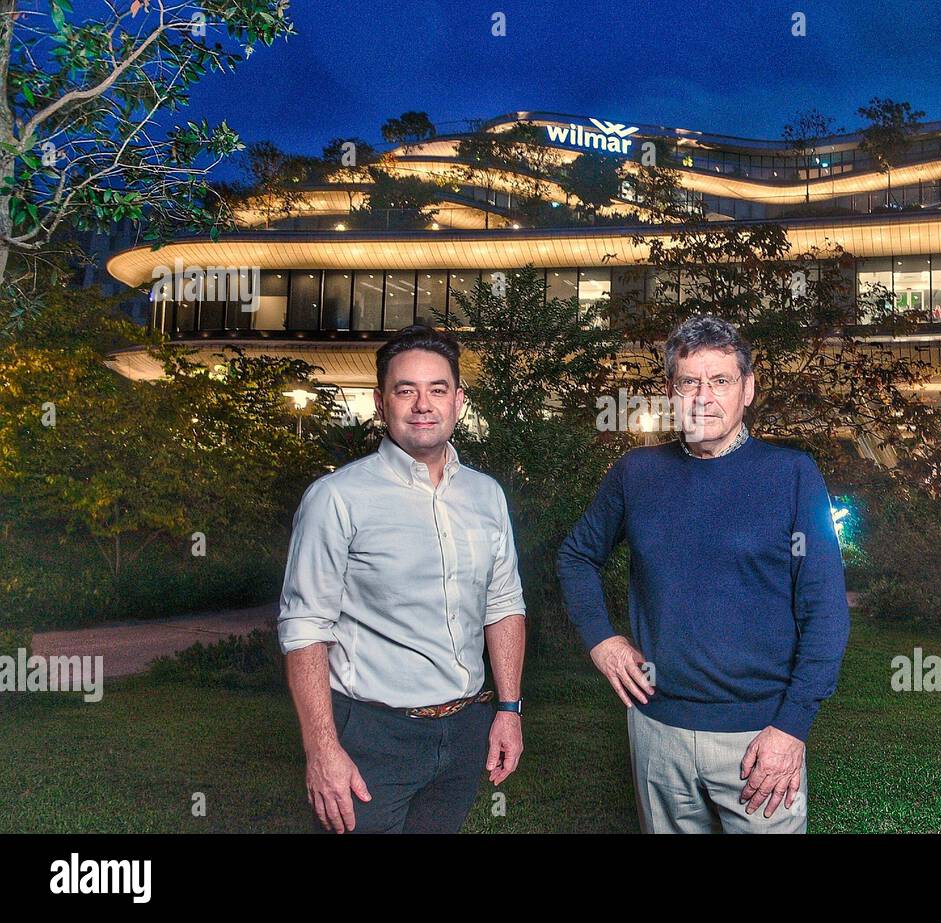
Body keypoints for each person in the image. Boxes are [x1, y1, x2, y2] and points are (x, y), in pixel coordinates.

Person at [557, 314, 850, 833]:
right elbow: (576, 556)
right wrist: (602, 641)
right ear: (671, 392)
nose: (703, 396)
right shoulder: (637, 473)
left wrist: (792, 727)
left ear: (748, 388)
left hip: (760, 738)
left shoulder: (792, 475)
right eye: (689, 382)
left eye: (720, 380)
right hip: (657, 732)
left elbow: (825, 610)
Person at [278, 325, 526, 833]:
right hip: (371, 735)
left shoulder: (486, 495)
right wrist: (322, 747)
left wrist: (508, 709)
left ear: (458, 401)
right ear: (380, 401)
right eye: (405, 390)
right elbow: (304, 628)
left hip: (464, 733)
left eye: (437, 389)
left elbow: (503, 604)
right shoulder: (336, 497)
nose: (422, 404)